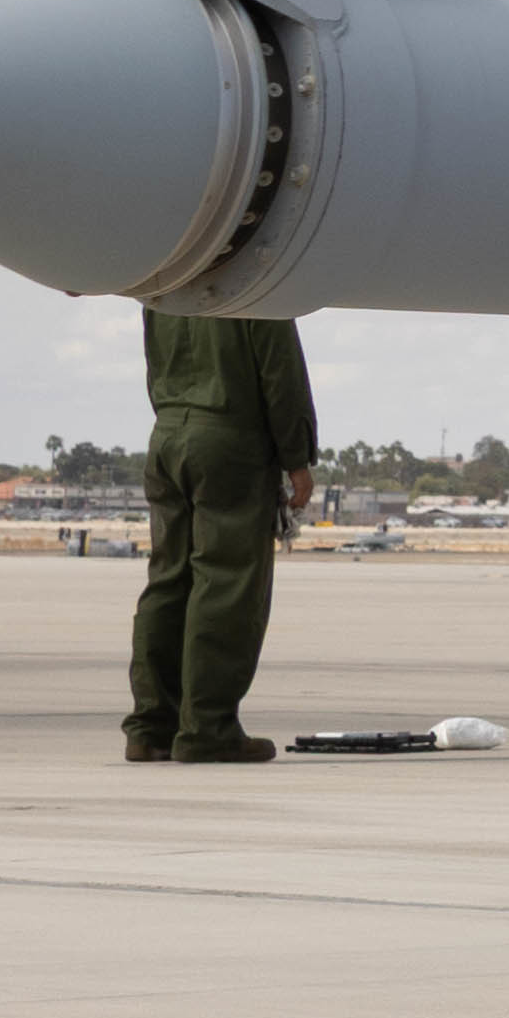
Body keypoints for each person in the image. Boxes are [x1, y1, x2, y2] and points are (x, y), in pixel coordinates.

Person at [122, 306, 310, 763]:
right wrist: (297, 458)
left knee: (168, 580)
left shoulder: (165, 279)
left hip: (167, 436)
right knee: (227, 582)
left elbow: (154, 366)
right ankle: (209, 728)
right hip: (230, 441)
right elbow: (281, 378)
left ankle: (150, 729)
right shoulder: (258, 285)